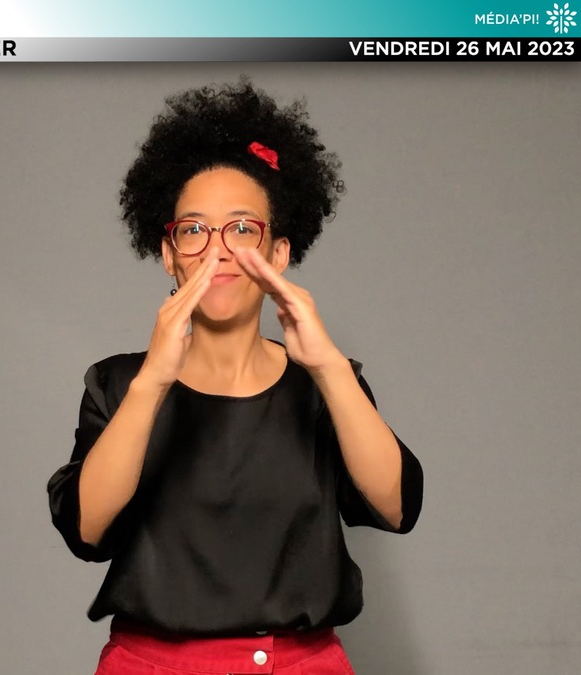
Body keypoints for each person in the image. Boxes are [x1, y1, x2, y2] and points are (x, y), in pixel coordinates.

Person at [47, 78, 424, 675]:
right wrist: (152, 383)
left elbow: (398, 507)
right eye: (194, 229)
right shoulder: (118, 385)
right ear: (169, 254)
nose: (218, 249)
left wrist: (327, 367)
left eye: (242, 228)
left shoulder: (327, 384)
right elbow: (86, 532)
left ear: (277, 253)